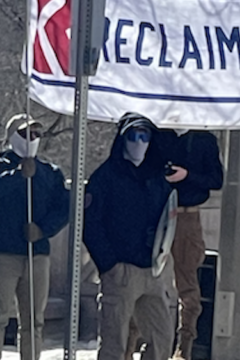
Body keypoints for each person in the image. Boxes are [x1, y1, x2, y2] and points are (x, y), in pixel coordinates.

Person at [83, 113, 175, 360]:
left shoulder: (156, 177)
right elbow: (89, 224)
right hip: (121, 270)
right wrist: (109, 265)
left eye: (144, 136)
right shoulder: (105, 177)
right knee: (115, 344)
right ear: (122, 139)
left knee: (162, 339)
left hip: (154, 268)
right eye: (133, 135)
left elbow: (169, 218)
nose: (139, 141)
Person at [0, 114, 69, 360]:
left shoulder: (50, 172)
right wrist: (18, 175)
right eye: (25, 133)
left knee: (34, 321)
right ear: (12, 136)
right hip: (3, 254)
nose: (32, 139)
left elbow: (64, 208)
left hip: (36, 255)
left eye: (36, 134)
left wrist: (43, 229)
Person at [165, 129, 223, 360]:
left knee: (187, 284)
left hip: (187, 215)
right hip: (156, 211)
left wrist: (187, 175)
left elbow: (216, 180)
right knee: (145, 281)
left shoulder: (203, 139)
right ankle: (137, 345)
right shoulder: (160, 133)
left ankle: (184, 348)